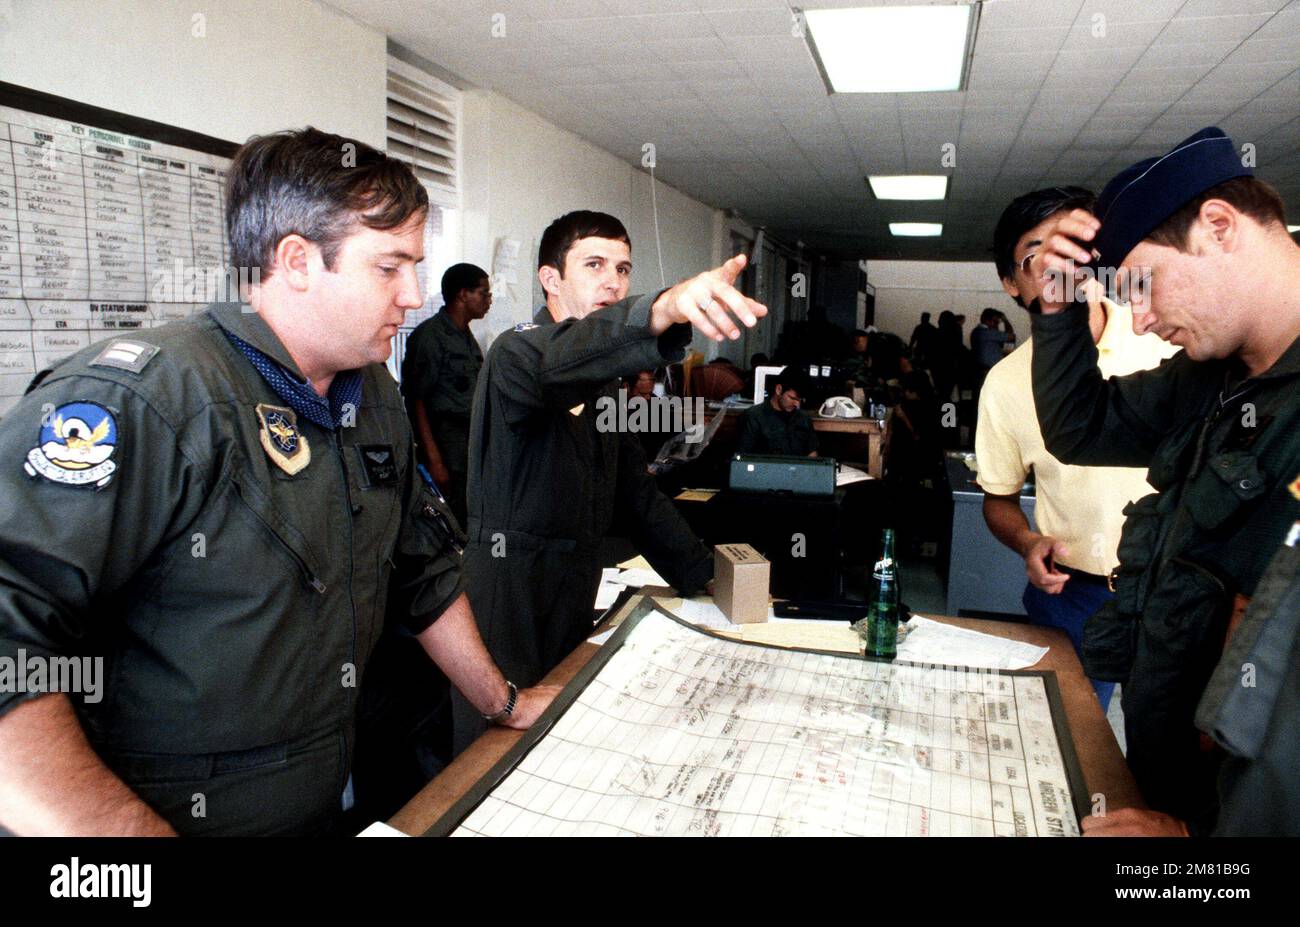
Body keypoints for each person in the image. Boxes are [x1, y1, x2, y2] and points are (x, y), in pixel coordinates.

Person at [0, 128, 556, 836]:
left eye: (416, 266)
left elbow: (424, 567)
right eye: (390, 267)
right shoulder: (150, 399)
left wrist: (502, 703)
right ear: (296, 260)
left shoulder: (372, 393)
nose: (414, 295)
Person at [1027, 127, 1300, 836]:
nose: (1141, 322)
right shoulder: (1214, 376)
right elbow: (1082, 427)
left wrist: (1195, 842)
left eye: (1144, 287)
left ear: (1217, 226)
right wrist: (1057, 307)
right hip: (1163, 781)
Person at [454, 210, 766, 754]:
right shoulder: (517, 352)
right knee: (494, 761)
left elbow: (636, 495)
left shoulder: (603, 389)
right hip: (509, 599)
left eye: (622, 270)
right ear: (551, 279)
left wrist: (703, 575)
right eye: (593, 265)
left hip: (573, 592)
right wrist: (663, 307)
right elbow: (562, 358)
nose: (612, 282)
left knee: (563, 748)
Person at [978, 186, 1178, 711]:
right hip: (1073, 594)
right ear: (1011, 284)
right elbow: (997, 497)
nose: (1058, 269)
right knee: (1065, 739)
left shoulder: (1161, 336)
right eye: (1035, 257)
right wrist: (1026, 541)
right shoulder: (1004, 384)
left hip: (1176, 591)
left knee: (1173, 764)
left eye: (1071, 251)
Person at [400, 262, 491, 527]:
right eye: (483, 293)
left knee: (467, 520)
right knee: (445, 525)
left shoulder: (466, 336)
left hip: (467, 446)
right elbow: (415, 399)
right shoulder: (430, 336)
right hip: (444, 445)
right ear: (463, 294)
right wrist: (434, 460)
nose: (488, 301)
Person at [737, 367, 818, 457]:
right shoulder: (754, 417)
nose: (797, 404)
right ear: (778, 389)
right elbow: (742, 458)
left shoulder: (803, 418)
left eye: (800, 400)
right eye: (792, 398)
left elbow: (812, 454)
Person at [970, 307, 1015, 380]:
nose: (997, 324)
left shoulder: (976, 331)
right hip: (990, 370)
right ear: (988, 321)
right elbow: (1011, 336)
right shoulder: (988, 332)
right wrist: (1005, 320)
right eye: (996, 321)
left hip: (981, 369)